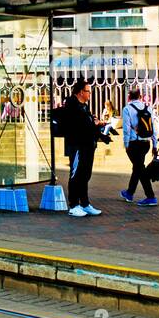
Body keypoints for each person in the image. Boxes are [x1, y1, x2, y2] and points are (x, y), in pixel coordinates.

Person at [60, 80, 103, 217]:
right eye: (88, 91)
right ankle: (73, 205)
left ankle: (84, 203)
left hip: (88, 145)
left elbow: (87, 122)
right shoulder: (72, 105)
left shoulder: (84, 106)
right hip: (77, 145)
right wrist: (92, 123)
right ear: (80, 92)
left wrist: (95, 124)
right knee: (76, 174)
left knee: (85, 174)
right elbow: (77, 125)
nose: (90, 94)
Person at [120, 88, 159, 206]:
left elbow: (126, 129)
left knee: (140, 168)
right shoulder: (148, 108)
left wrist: (126, 144)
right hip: (146, 143)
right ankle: (129, 193)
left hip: (134, 143)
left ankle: (151, 196)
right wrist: (155, 144)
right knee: (137, 167)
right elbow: (153, 127)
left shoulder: (127, 109)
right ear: (140, 96)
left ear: (129, 97)